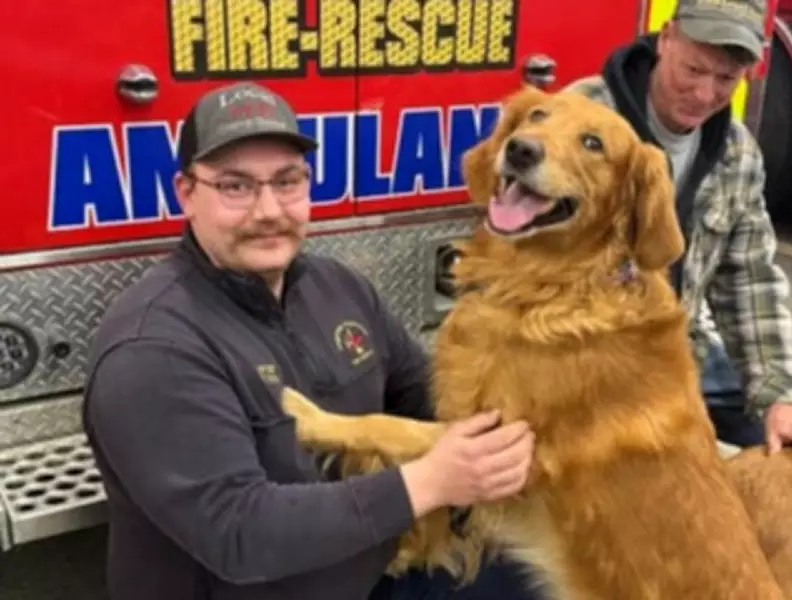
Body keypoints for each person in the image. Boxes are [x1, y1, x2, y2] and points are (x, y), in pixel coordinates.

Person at [81, 81, 541, 600]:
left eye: (287, 181)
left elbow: (429, 401)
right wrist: (431, 481)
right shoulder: (153, 349)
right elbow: (240, 533)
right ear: (186, 194)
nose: (268, 210)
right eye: (235, 186)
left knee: (544, 577)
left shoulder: (337, 287)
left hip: (370, 573)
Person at [565, 0, 792, 451]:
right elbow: (521, 261)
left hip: (680, 354)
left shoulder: (737, 153)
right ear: (667, 37)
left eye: (726, 79)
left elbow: (749, 280)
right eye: (693, 70)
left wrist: (780, 396)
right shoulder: (579, 119)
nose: (704, 94)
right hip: (581, 362)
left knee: (780, 443)